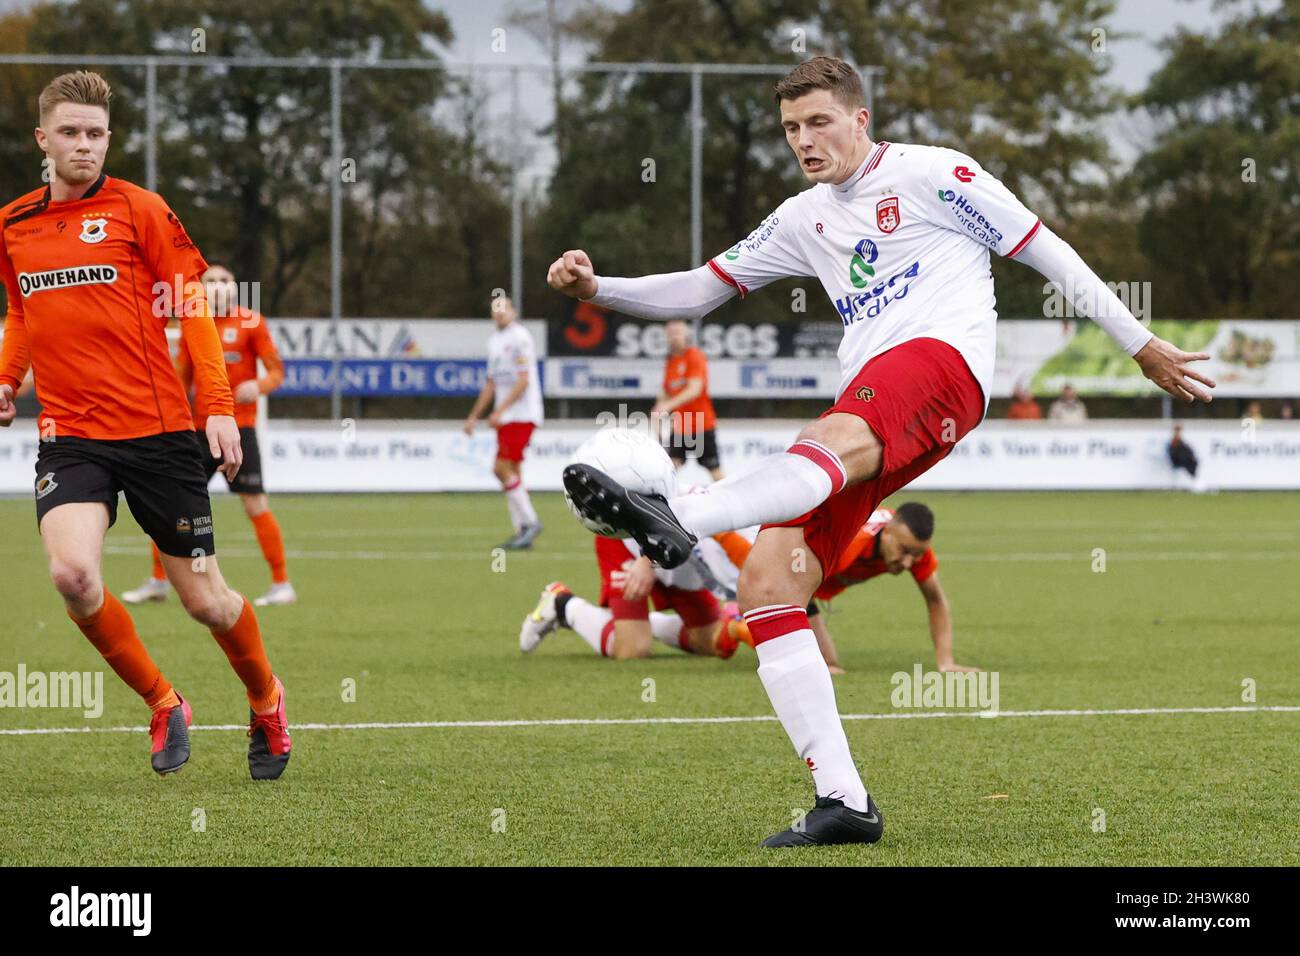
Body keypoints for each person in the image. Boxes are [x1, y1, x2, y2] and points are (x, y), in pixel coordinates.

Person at [547, 56, 1214, 847]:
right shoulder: (802, 217)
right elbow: (701, 286)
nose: (804, 139)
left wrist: (1138, 344)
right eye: (792, 128)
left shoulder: (936, 174)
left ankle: (681, 516)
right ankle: (845, 800)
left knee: (821, 436)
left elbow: (1045, 249)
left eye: (819, 121)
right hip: (874, 408)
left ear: (861, 119)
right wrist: (599, 290)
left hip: (941, 369)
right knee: (768, 580)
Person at [0, 71, 290, 779]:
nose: (84, 145)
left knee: (208, 604)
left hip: (159, 434)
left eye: (96, 134)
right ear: (44, 139)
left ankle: (266, 697)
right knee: (72, 576)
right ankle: (164, 702)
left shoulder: (141, 209)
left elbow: (193, 308)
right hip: (70, 435)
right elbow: (21, 315)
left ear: (108, 139)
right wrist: (7, 380)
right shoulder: (13, 225)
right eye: (69, 132)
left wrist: (217, 407)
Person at [123, 264, 294, 607]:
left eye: (224, 280)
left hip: (239, 428)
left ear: (235, 286)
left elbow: (277, 372)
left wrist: (258, 385)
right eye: (210, 281)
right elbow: (182, 376)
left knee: (255, 504)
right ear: (201, 288)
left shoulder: (251, 322)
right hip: (197, 432)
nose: (218, 286)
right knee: (169, 503)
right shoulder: (193, 322)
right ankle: (158, 581)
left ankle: (281, 584)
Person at [518, 535, 746, 660]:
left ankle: (646, 623)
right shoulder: (743, 536)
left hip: (685, 559)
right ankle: (562, 604)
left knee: (714, 643)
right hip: (633, 542)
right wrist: (648, 560)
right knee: (632, 650)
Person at [464, 296, 544, 549]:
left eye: (504, 309)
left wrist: (499, 410)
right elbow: (491, 382)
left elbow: (523, 380)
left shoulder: (520, 338)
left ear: (514, 311)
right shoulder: (495, 341)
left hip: (521, 414)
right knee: (513, 473)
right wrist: (474, 416)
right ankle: (522, 532)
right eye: (495, 310)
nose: (500, 314)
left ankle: (531, 522)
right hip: (507, 416)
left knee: (499, 469)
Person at [652, 318, 723, 479]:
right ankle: (664, 502)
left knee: (714, 470)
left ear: (686, 335)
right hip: (679, 427)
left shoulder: (694, 356)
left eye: (677, 333)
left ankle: (732, 501)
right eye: (670, 334)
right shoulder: (671, 360)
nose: (673, 337)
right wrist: (658, 408)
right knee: (669, 468)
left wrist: (668, 406)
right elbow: (666, 390)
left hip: (701, 424)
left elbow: (694, 389)